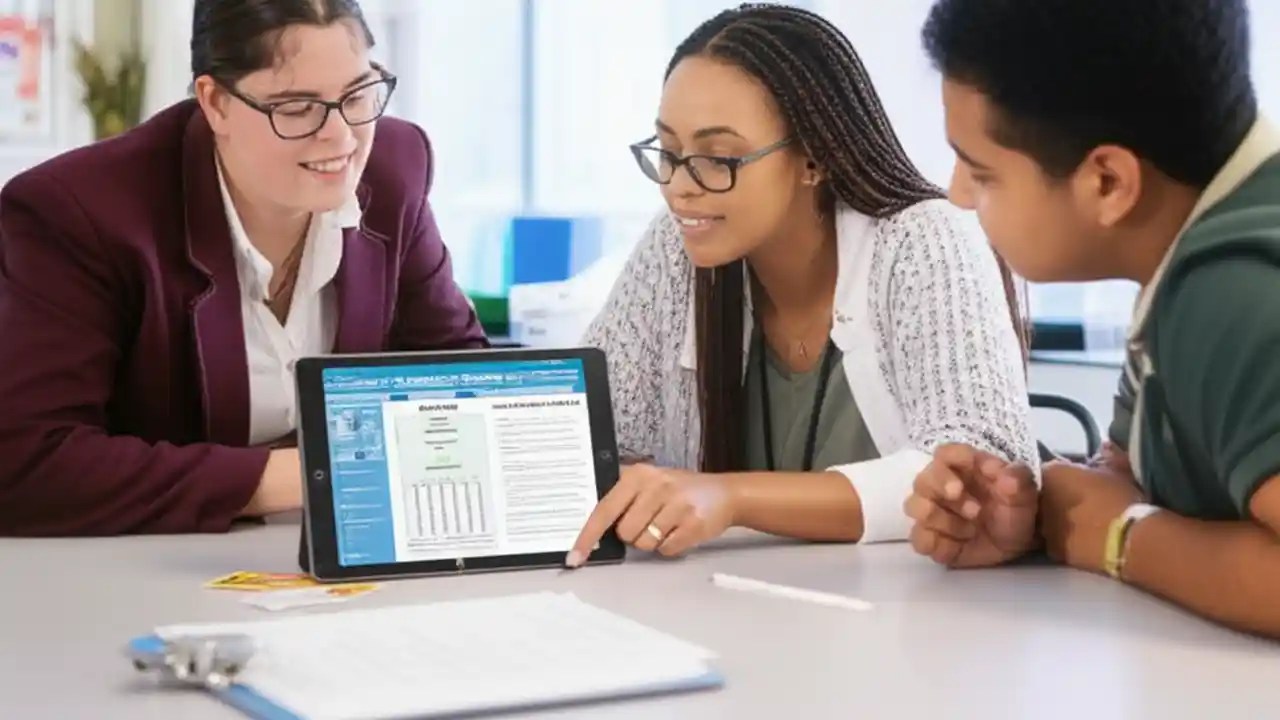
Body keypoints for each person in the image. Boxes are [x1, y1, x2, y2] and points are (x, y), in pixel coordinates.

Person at [566, 3, 1038, 567]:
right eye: (668, 152)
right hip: (724, 614)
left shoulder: (923, 240)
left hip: (912, 623)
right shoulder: (676, 248)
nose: (678, 187)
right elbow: (588, 435)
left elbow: (980, 469)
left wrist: (731, 497)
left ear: (814, 159)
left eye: (717, 158)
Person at [0, 0, 486, 536]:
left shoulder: (396, 169)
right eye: (298, 107)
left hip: (334, 564)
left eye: (357, 94)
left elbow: (465, 383)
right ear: (215, 104)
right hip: (133, 574)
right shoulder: (81, 212)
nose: (342, 136)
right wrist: (308, 477)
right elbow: (25, 462)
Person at [908, 0, 1280, 637]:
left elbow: (1126, 517)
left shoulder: (1234, 292)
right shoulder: (1185, 257)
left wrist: (1117, 537)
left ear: (1107, 182)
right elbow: (1129, 480)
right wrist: (1037, 514)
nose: (958, 195)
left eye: (981, 172)